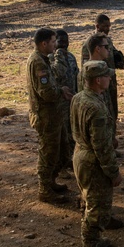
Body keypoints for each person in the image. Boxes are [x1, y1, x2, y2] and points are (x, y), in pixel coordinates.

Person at [71, 61, 123, 247]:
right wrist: (113, 172)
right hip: (93, 162)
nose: (110, 79)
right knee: (97, 209)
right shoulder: (95, 107)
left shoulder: (79, 98)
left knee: (88, 201)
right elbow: (101, 147)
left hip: (80, 154)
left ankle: (94, 243)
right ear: (98, 80)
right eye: (107, 76)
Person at [26, 28, 74, 204]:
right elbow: (46, 93)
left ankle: (51, 181)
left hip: (53, 114)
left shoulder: (43, 59)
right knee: (48, 153)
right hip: (45, 116)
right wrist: (60, 92)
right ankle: (44, 189)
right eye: (53, 42)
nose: (56, 45)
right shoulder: (38, 62)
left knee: (61, 150)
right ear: (43, 43)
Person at [81, 14, 124, 119]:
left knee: (112, 113)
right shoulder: (89, 44)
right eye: (105, 26)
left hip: (110, 82)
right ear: (97, 26)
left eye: (109, 26)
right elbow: (87, 68)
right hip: (98, 84)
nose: (107, 29)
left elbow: (113, 56)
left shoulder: (107, 41)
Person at [52, 29, 79, 174]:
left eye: (65, 40)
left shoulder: (71, 57)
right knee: (60, 136)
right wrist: (59, 56)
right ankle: (59, 166)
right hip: (58, 104)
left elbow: (76, 75)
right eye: (59, 41)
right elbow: (58, 74)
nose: (63, 44)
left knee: (72, 133)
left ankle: (69, 159)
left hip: (72, 101)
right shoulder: (50, 58)